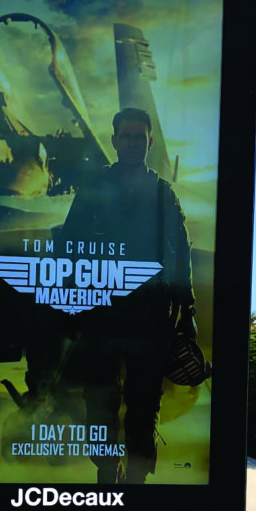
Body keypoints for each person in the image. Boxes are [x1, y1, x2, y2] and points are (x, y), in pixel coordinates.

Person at [58, 107, 197, 484]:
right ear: (115, 140)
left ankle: (136, 482)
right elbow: (69, 244)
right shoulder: (94, 188)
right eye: (127, 136)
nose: (133, 143)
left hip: (150, 316)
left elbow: (179, 249)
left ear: (149, 142)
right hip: (100, 312)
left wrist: (187, 310)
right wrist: (67, 303)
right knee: (99, 400)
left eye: (140, 137)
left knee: (144, 404)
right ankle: (106, 472)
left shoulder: (162, 192)